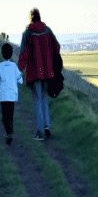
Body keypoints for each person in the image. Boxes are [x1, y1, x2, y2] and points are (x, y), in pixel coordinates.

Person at [17, 8, 61, 141]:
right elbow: (57, 46)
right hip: (47, 71)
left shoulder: (27, 33)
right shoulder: (47, 31)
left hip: (35, 72)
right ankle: (47, 127)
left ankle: (39, 132)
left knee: (37, 101)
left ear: (30, 18)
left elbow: (24, 54)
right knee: (44, 99)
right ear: (39, 17)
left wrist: (19, 69)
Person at [0, 42, 23, 145]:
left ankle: (8, 132)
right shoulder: (14, 66)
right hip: (12, 95)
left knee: (4, 116)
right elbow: (20, 80)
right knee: (10, 114)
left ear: (2, 53)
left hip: (3, 95)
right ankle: (10, 132)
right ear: (11, 54)